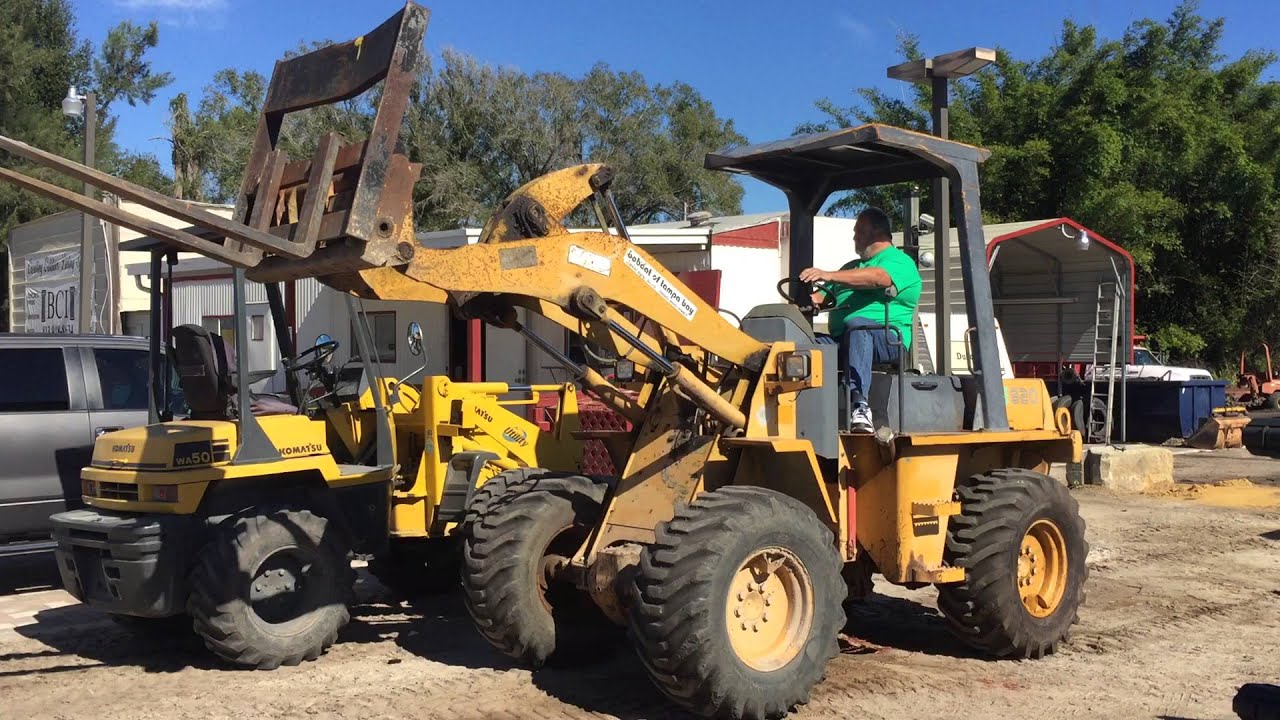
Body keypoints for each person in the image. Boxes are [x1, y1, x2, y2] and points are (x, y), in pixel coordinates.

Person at [799, 207, 922, 432]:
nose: (854, 237)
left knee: (858, 326)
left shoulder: (900, 262)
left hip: (888, 341)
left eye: (857, 231)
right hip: (844, 340)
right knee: (801, 343)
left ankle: (860, 404)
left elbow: (879, 278)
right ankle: (800, 410)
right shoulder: (850, 269)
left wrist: (828, 274)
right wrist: (802, 303)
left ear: (873, 232)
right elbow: (820, 297)